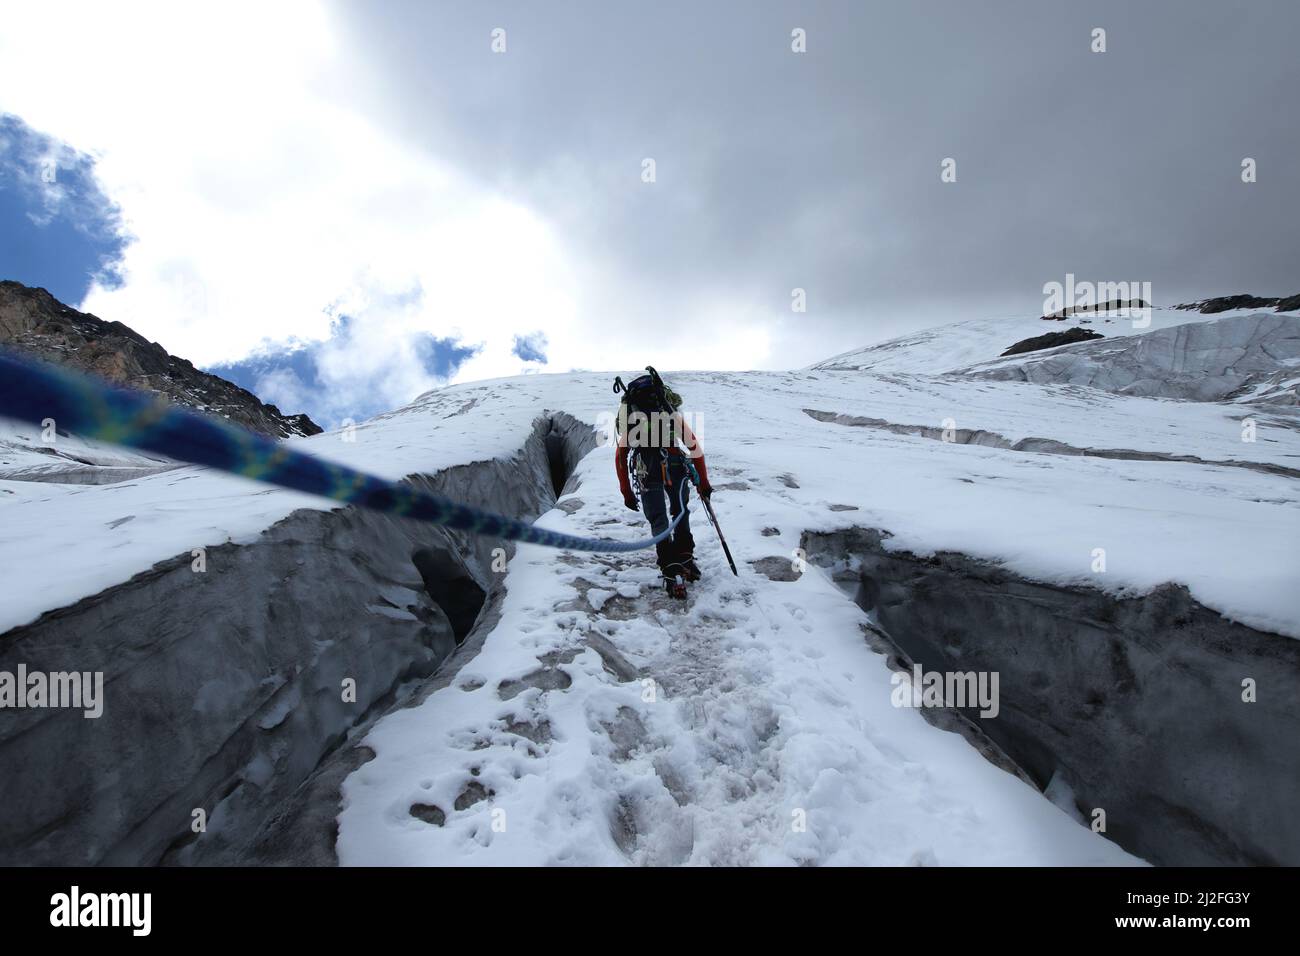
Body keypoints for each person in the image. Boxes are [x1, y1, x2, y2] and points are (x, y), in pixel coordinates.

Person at [614, 371, 713, 597]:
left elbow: (621, 456)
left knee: (659, 518)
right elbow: (694, 447)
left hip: (645, 466)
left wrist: (626, 491)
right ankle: (686, 559)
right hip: (675, 460)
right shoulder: (669, 413)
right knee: (681, 511)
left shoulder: (633, 418)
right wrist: (703, 483)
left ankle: (671, 570)